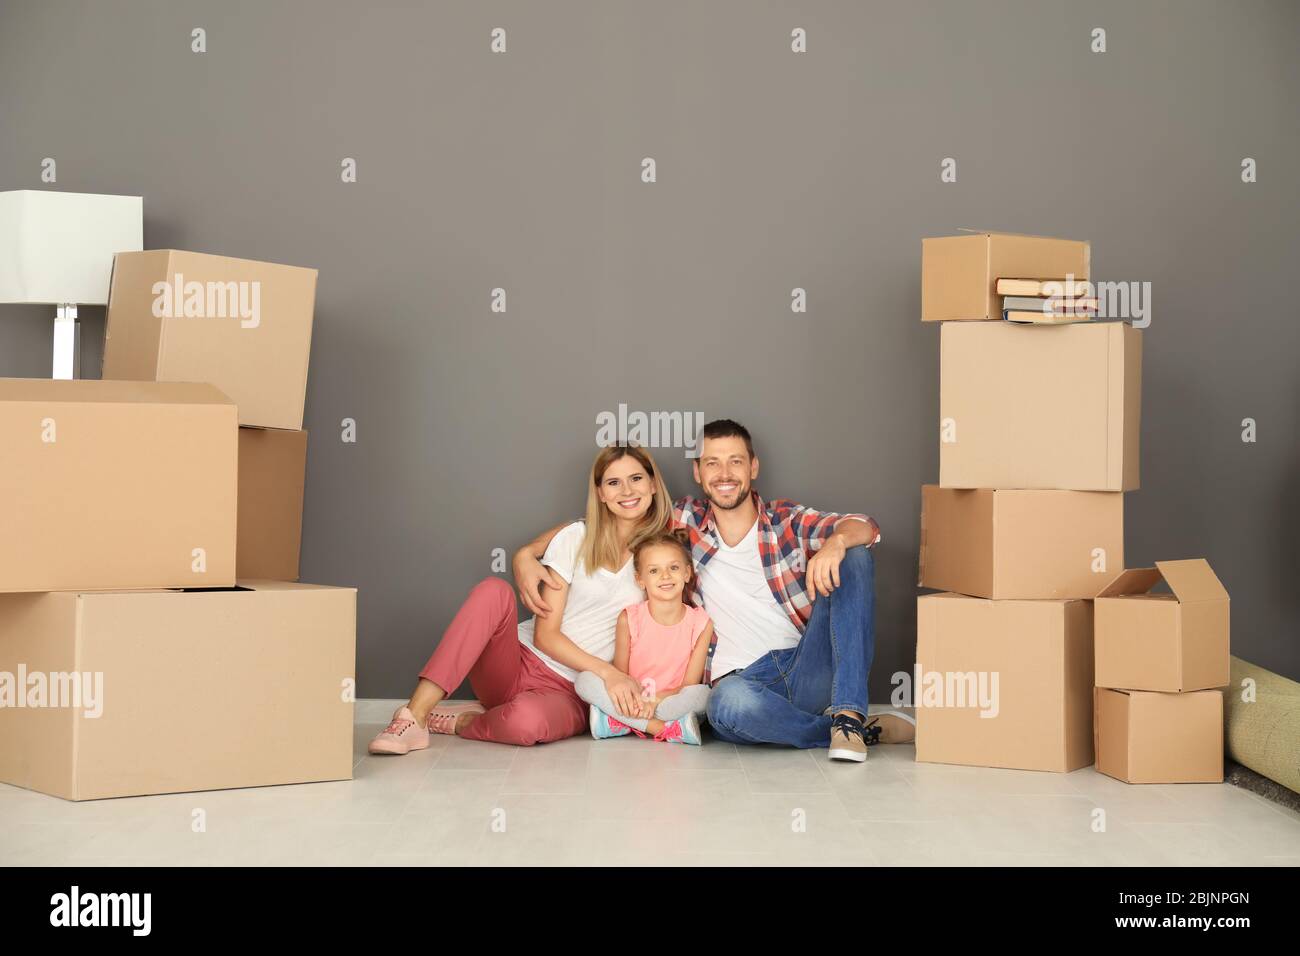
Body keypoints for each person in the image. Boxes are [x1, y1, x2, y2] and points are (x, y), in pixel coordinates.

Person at [515, 419, 915, 762]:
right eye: (712, 463)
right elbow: (605, 517)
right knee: (726, 705)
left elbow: (863, 524)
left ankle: (848, 715)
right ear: (697, 472)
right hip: (735, 684)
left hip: (804, 663)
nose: (724, 473)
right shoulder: (681, 521)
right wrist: (528, 553)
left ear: (753, 467)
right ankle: (844, 731)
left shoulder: (785, 521)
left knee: (856, 556)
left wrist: (836, 543)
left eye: (735, 461)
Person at [369, 444, 671, 754]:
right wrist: (611, 674)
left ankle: (462, 723)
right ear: (601, 493)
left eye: (636, 478)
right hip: (516, 662)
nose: (627, 490)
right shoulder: (576, 537)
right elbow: (546, 635)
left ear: (652, 484)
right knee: (493, 590)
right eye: (613, 482)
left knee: (526, 723)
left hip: (574, 690)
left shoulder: (664, 555)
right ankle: (413, 716)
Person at [575, 530, 713, 745]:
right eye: (654, 570)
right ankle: (662, 729)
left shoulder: (701, 623)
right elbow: (622, 678)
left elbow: (688, 686)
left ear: (687, 573)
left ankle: (618, 722)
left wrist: (656, 700)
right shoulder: (629, 618)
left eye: (673, 568)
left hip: (671, 703)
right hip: (634, 700)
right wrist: (640, 701)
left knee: (702, 696)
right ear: (640, 579)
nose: (665, 576)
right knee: (585, 681)